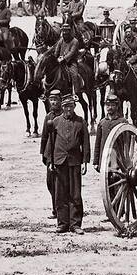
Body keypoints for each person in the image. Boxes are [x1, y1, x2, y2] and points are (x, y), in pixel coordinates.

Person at [42, 93, 89, 233]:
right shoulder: (55, 122)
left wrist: (85, 161)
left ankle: (75, 224)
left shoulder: (80, 122)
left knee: (75, 194)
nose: (69, 110)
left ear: (75, 107)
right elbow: (50, 142)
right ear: (63, 107)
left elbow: (85, 143)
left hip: (74, 162)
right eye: (66, 107)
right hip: (59, 161)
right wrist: (50, 161)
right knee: (60, 193)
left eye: (71, 107)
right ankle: (62, 223)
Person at [41, 89, 63, 216]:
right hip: (50, 153)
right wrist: (43, 154)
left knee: (60, 183)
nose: (53, 102)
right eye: (51, 100)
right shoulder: (48, 117)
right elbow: (44, 137)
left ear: (60, 101)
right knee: (50, 182)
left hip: (61, 154)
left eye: (56, 100)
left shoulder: (64, 116)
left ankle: (60, 210)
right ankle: (55, 208)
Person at [93, 94, 125, 170]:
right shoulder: (102, 123)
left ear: (117, 107)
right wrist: (96, 162)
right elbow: (97, 143)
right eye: (108, 105)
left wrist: (124, 161)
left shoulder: (122, 122)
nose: (110, 108)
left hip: (117, 158)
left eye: (113, 105)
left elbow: (127, 144)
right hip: (104, 157)